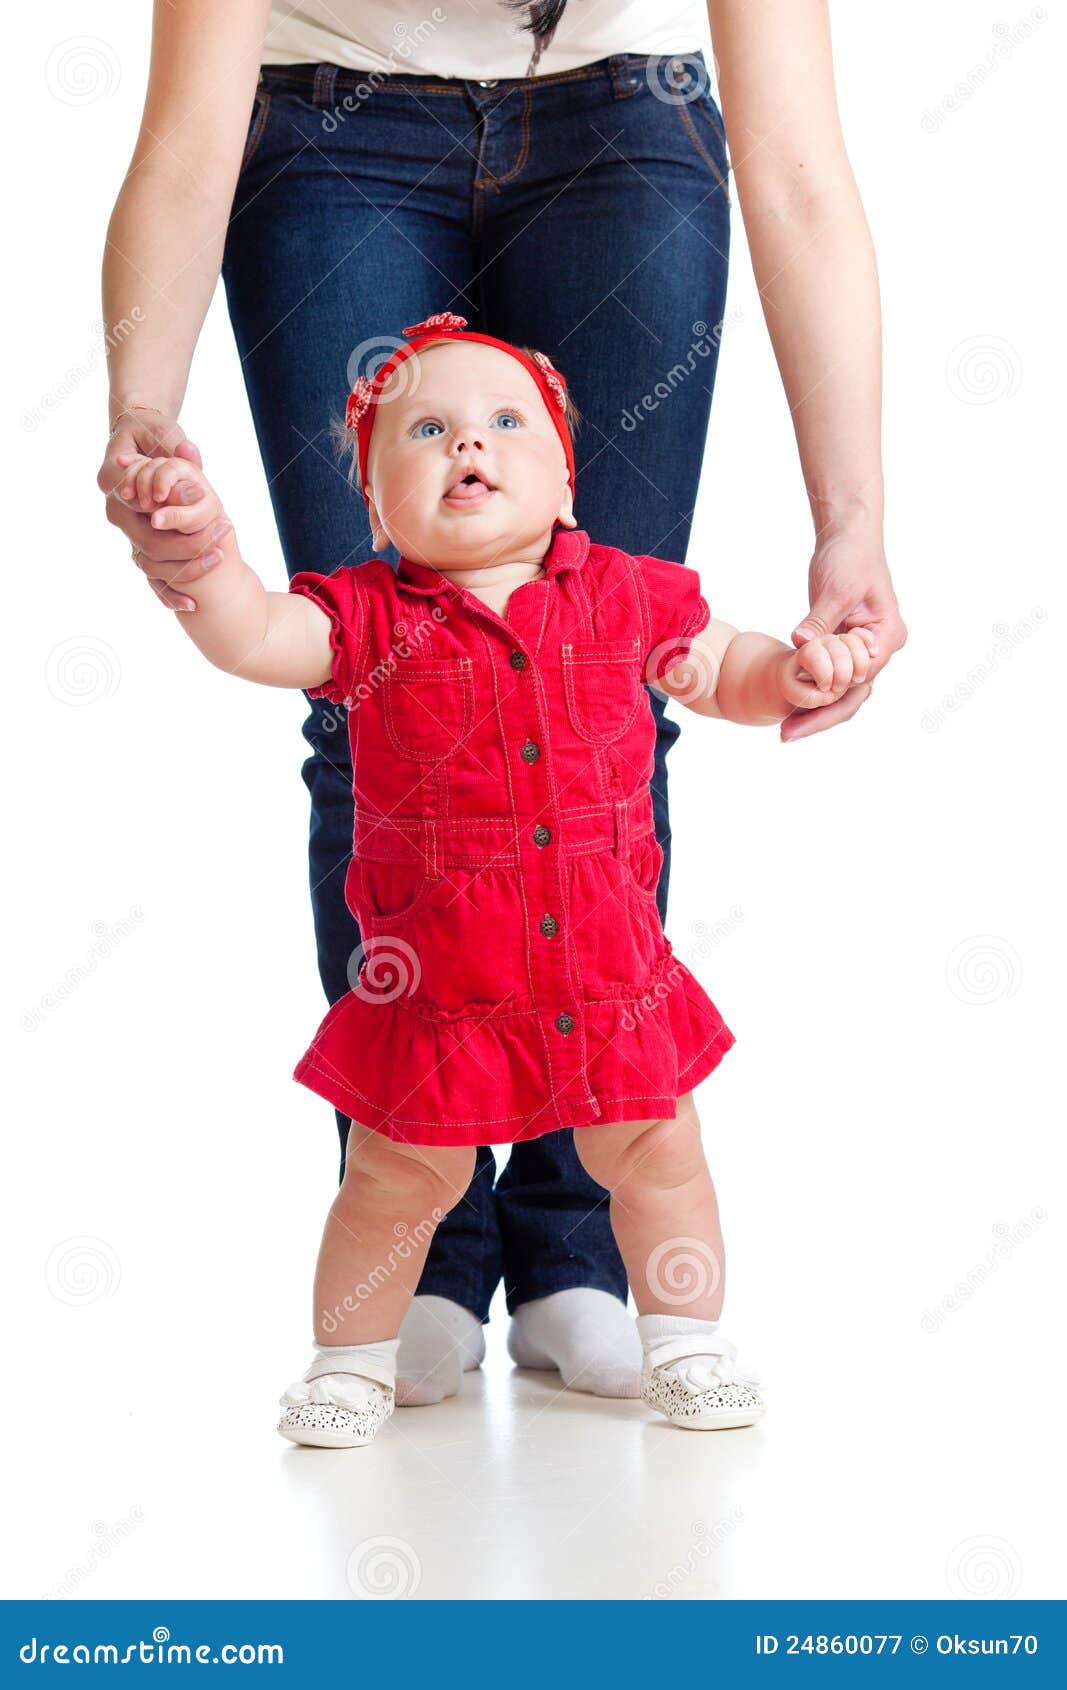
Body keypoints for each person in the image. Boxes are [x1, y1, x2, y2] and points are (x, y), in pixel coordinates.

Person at [98, 0, 905, 1408]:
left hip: (624, 122)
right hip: (329, 115)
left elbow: (795, 165)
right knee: (375, 703)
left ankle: (578, 1251)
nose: (472, 450)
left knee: (609, 703)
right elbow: (184, 135)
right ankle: (422, 1249)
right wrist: (141, 424)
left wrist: (853, 527)